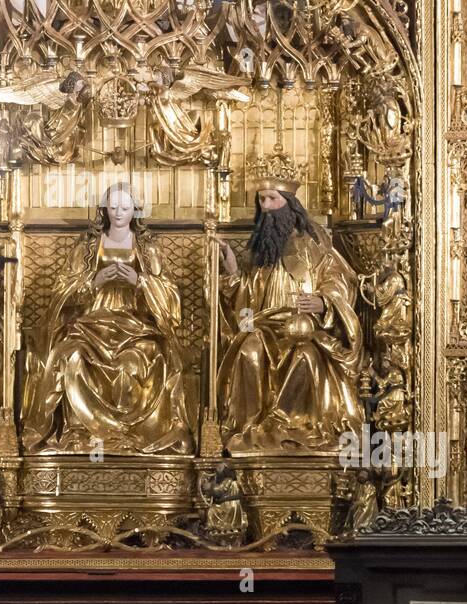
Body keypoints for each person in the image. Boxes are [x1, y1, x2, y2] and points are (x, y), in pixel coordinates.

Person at [21, 183, 193, 454]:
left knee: (139, 359)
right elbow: (61, 291)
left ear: (135, 210)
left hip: (135, 325)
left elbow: (170, 294)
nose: (119, 213)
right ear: (104, 210)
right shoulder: (88, 247)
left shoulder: (147, 249)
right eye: (113, 207)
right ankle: (80, 432)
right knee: (70, 354)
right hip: (91, 324)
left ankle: (127, 435)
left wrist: (140, 281)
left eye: (125, 207)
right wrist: (94, 281)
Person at [215, 167, 365, 453]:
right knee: (248, 350)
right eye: (261, 200)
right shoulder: (261, 249)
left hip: (306, 331)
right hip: (264, 326)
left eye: (272, 198)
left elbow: (338, 280)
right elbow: (245, 298)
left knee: (305, 358)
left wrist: (323, 303)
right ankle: (251, 429)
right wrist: (232, 268)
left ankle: (288, 427)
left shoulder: (314, 242)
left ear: (290, 202)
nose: (266, 207)